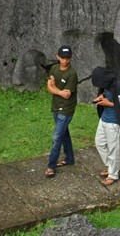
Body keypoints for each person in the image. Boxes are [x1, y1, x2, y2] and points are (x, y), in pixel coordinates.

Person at [91, 67, 120, 186]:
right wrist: (101, 96)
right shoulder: (107, 84)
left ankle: (113, 174)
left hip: (114, 122)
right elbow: (106, 93)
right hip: (104, 118)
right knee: (99, 143)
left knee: (113, 148)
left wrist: (108, 103)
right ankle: (111, 166)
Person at [44, 45, 78, 178]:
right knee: (64, 135)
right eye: (63, 58)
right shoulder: (54, 68)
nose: (65, 60)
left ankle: (51, 166)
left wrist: (54, 88)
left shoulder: (72, 74)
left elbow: (66, 95)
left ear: (71, 58)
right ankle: (69, 158)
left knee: (57, 137)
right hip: (56, 107)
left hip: (66, 109)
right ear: (57, 57)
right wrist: (57, 90)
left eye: (67, 58)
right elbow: (48, 86)